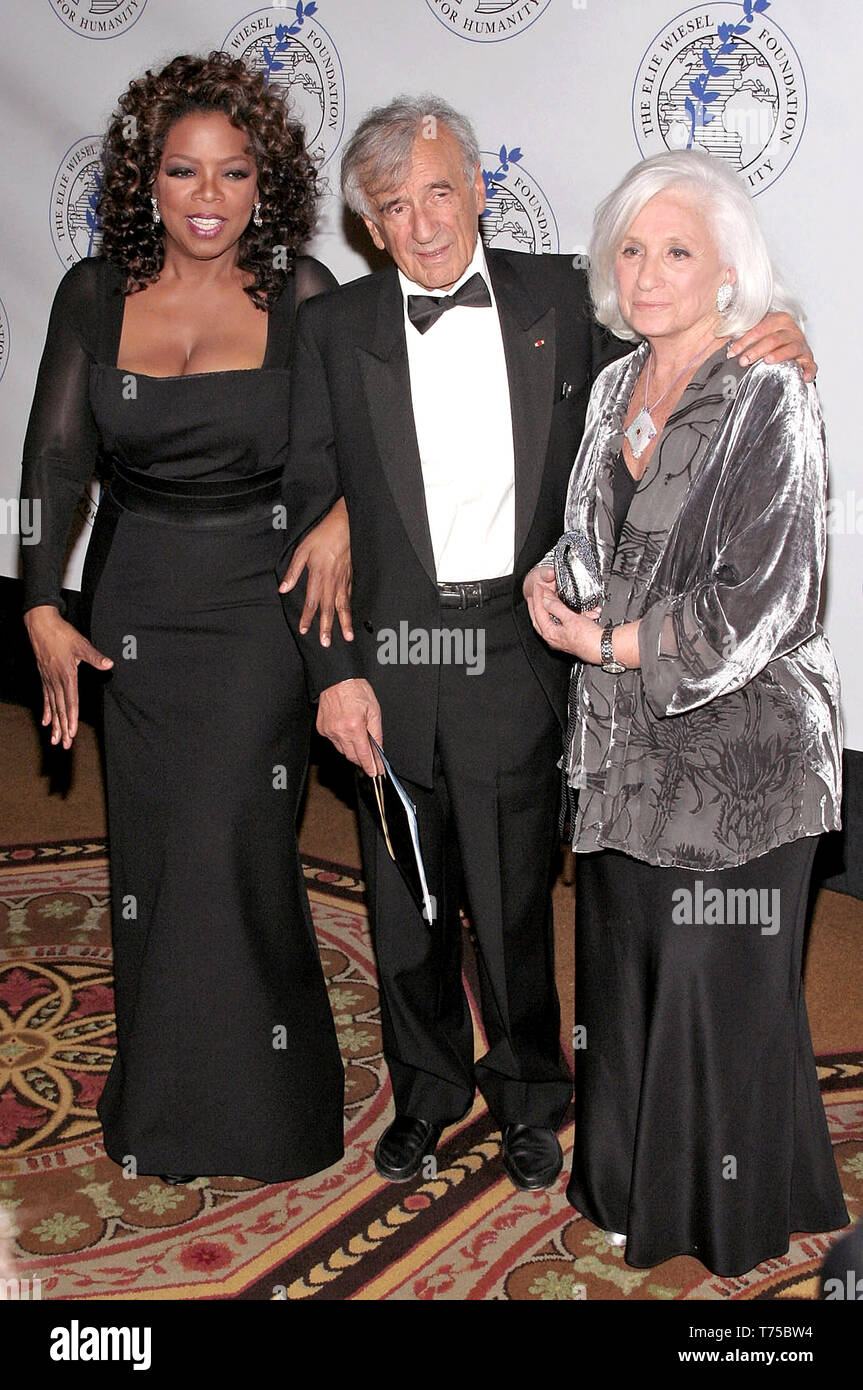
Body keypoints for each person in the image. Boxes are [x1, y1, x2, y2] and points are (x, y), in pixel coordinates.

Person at [278, 95, 815, 1191]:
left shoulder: (564, 296)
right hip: (388, 654)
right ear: (370, 228)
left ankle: (529, 1093)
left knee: (515, 901)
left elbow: (690, 327)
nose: (424, 223)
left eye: (439, 189)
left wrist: (785, 324)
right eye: (394, 206)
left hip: (515, 650)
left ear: (478, 183)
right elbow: (303, 500)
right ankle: (425, 1093)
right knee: (404, 906)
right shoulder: (332, 330)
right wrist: (331, 673)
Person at [20, 52, 351, 1184]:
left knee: (233, 842)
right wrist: (37, 600)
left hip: (259, 607)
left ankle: (274, 1107)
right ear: (144, 180)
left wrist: (347, 511)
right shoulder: (92, 293)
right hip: (138, 603)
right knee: (154, 853)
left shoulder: (300, 294)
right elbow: (52, 465)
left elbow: (371, 438)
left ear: (265, 183)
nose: (208, 197)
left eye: (233, 172)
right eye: (182, 172)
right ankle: (163, 1103)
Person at [525, 148, 848, 1274]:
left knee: (712, 991)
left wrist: (609, 641)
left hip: (741, 755)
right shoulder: (617, 384)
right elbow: (588, 539)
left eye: (676, 250)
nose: (648, 270)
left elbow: (776, 593)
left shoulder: (769, 387)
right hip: (621, 749)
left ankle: (721, 1212)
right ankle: (626, 1184)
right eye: (630, 248)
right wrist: (552, 585)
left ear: (725, 273)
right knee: (625, 977)